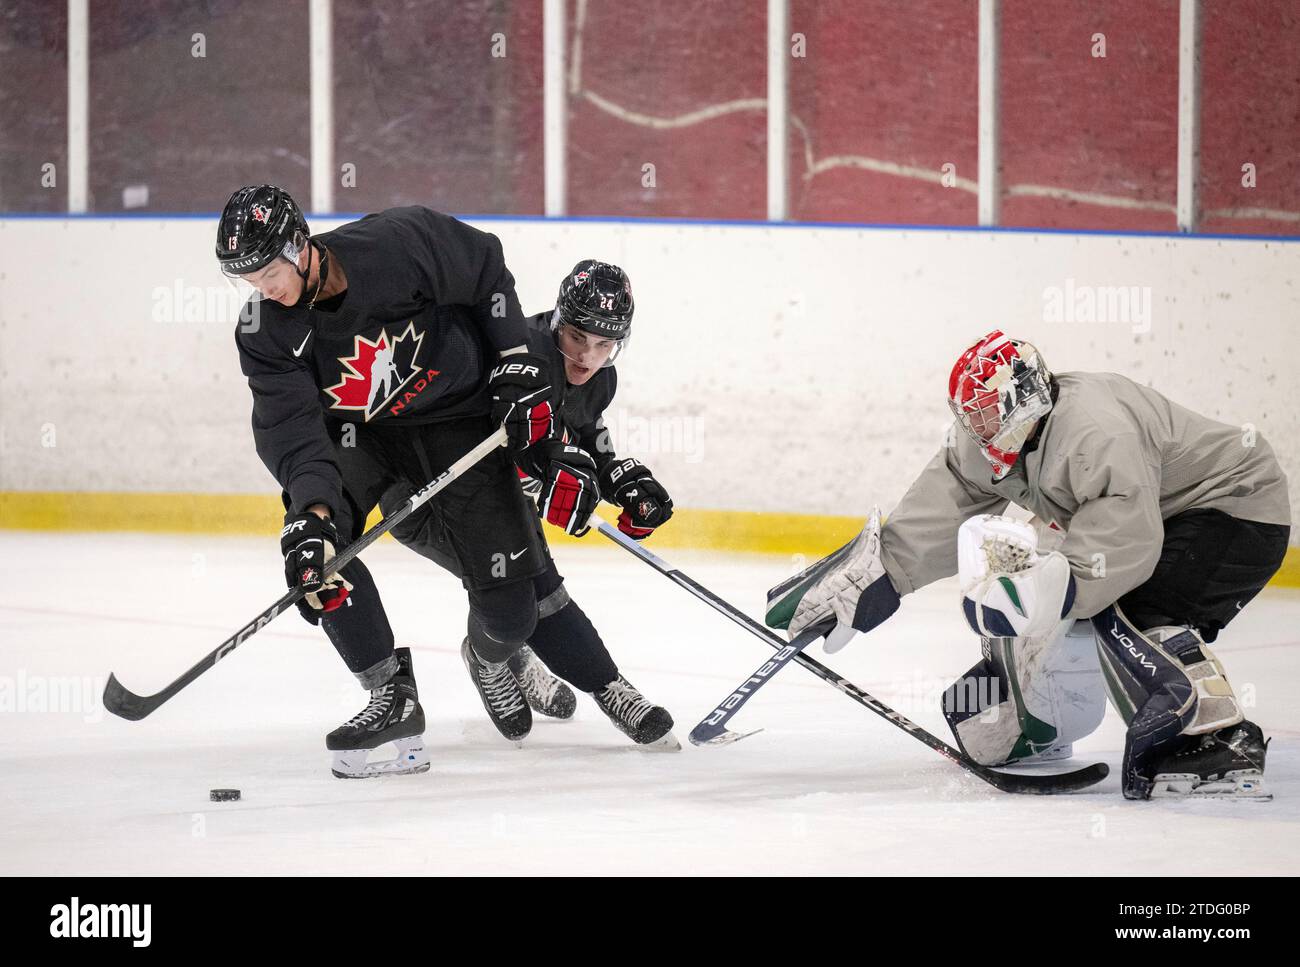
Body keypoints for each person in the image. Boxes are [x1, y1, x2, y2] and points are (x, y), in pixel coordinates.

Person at [767, 331, 1289, 799]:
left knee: (1132, 607)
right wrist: (870, 579)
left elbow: (1124, 545)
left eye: (988, 414)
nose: (978, 429)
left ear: (1025, 397)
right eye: (969, 417)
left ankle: (1215, 740)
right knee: (1023, 584)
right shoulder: (991, 440)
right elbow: (936, 514)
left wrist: (1052, 592)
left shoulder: (1096, 432)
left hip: (1234, 507)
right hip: (1155, 517)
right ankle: (1036, 728)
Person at [219, 185, 558, 778]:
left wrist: (511, 359)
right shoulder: (264, 330)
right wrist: (313, 514)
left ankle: (490, 652)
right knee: (315, 554)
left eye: (271, 271)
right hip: (356, 437)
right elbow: (294, 429)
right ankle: (390, 694)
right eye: (250, 279)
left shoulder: (400, 243)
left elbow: (485, 270)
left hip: (453, 416)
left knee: (512, 609)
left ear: (300, 244)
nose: (265, 289)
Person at [379, 260, 679, 749]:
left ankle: (514, 652)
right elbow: (461, 431)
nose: (588, 357)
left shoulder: (601, 378)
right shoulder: (517, 351)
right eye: (579, 337)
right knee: (528, 585)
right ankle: (508, 661)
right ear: (558, 320)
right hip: (428, 497)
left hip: (499, 497)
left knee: (531, 587)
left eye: (605, 345)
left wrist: (617, 478)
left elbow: (582, 430)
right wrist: (535, 471)